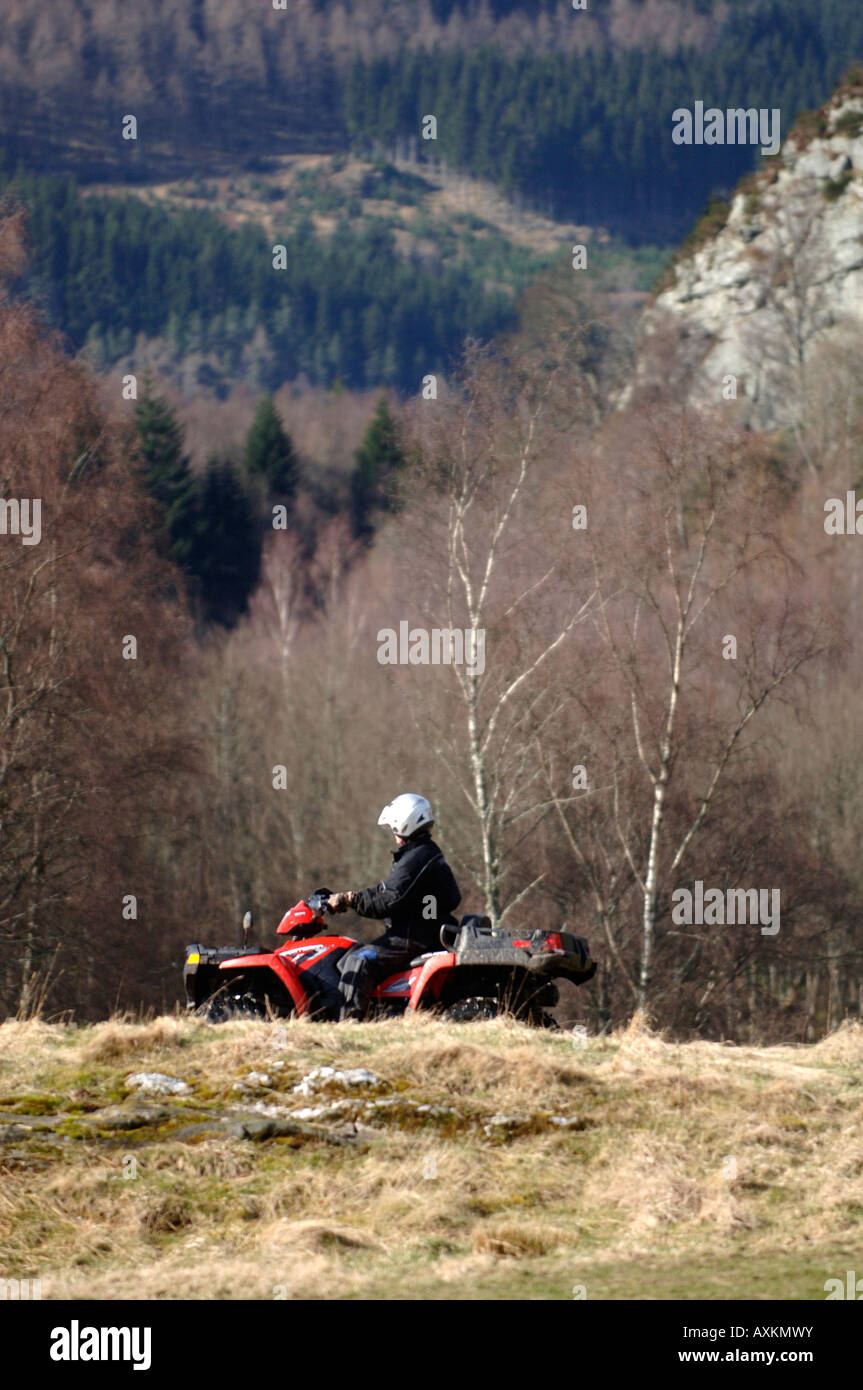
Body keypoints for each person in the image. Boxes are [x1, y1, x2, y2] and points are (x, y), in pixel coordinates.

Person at [328, 793, 461, 1021]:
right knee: (347, 954)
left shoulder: (415, 859)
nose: (393, 833)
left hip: (413, 937)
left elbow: (388, 900)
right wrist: (357, 896)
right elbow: (390, 891)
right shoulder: (427, 852)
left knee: (359, 961)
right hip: (426, 932)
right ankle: (377, 1011)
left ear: (404, 824)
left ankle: (349, 1025)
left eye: (393, 827)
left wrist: (351, 900)